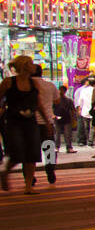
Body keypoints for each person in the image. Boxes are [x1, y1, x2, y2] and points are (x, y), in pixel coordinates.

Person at [1, 55, 54, 194]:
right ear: (24, 66)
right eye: (31, 63)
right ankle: (5, 171)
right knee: (17, 152)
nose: (34, 66)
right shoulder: (8, 82)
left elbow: (38, 104)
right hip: (14, 121)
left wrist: (47, 121)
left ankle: (28, 186)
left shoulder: (33, 83)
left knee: (32, 152)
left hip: (31, 120)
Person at [31, 65, 59, 185]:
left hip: (30, 124)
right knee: (49, 150)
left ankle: (30, 176)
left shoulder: (27, 86)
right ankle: (50, 170)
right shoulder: (50, 85)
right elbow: (57, 101)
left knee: (31, 151)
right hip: (47, 123)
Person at [53, 84, 76, 155]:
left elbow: (72, 110)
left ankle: (69, 147)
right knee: (57, 134)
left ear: (65, 91)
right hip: (57, 118)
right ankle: (57, 147)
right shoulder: (55, 100)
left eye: (62, 90)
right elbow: (52, 108)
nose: (61, 92)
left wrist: (73, 118)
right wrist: (53, 116)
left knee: (67, 134)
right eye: (60, 90)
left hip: (67, 118)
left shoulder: (69, 100)